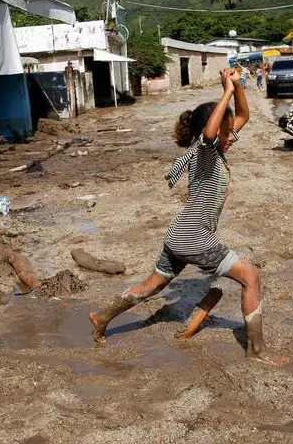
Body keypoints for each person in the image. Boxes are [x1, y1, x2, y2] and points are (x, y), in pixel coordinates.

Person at [88, 69, 278, 364]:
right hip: (194, 238)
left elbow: (243, 115)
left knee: (153, 285)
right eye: (226, 133)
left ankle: (102, 317)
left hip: (178, 234)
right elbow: (214, 133)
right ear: (211, 133)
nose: (231, 137)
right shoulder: (205, 151)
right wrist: (225, 93)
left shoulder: (211, 149)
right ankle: (257, 352)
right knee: (251, 277)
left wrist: (236, 86)